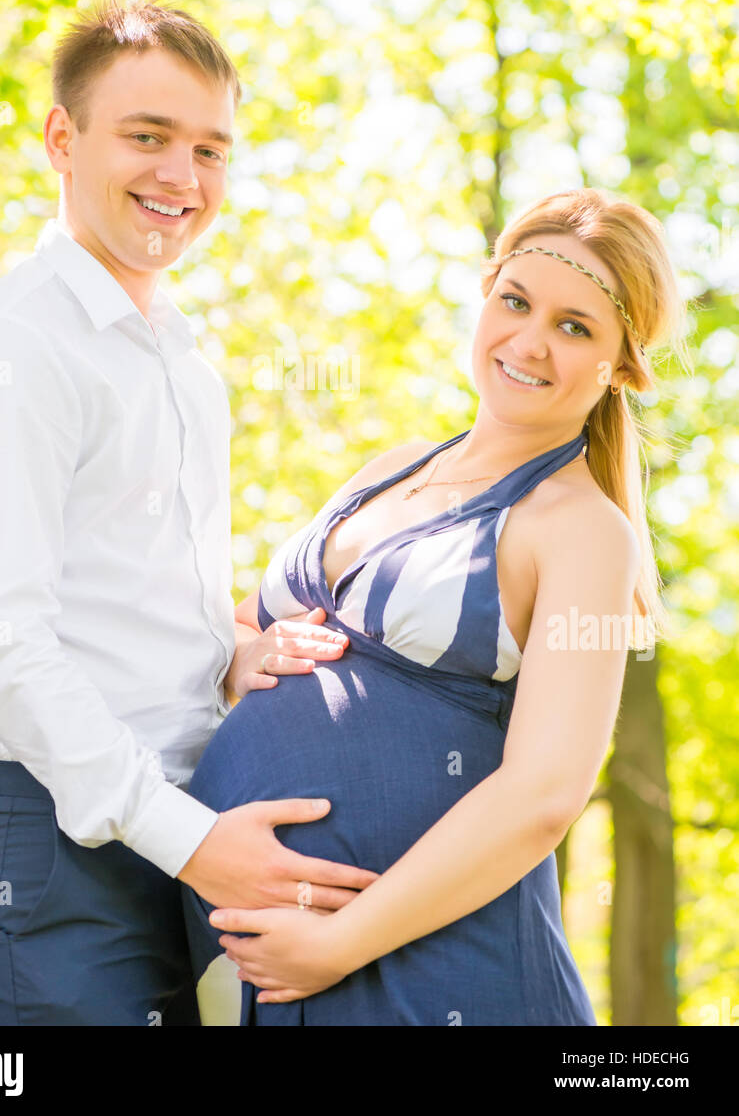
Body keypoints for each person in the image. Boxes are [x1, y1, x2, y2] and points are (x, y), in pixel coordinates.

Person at [0, 0, 375, 1026]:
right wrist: (195, 842)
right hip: (34, 846)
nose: (182, 177)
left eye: (210, 149)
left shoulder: (182, 360)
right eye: (148, 138)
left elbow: (120, 591)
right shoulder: (15, 349)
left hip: (165, 833)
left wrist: (228, 652)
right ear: (62, 140)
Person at [182, 186, 689, 1026]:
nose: (529, 341)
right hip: (263, 971)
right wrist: (243, 656)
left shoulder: (581, 531)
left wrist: (339, 944)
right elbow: (243, 626)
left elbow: (542, 795)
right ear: (485, 294)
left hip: (428, 975)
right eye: (515, 301)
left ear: (620, 369)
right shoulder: (394, 466)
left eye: (575, 327)